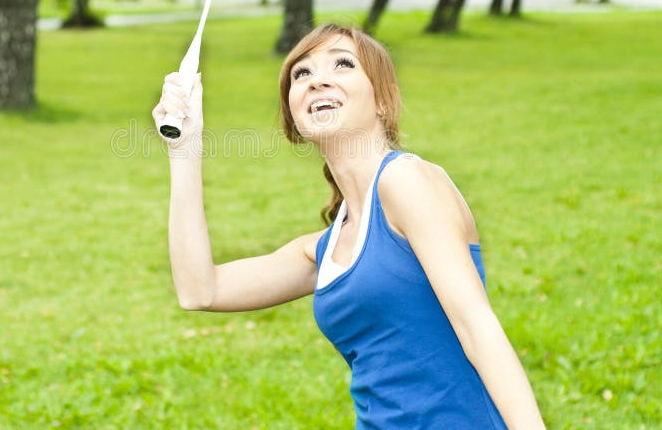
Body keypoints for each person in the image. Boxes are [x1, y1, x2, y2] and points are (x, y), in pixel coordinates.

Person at [152, 23, 546, 430]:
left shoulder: (407, 181)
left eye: (342, 64)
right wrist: (184, 148)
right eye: (302, 73)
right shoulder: (325, 248)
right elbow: (200, 290)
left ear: (383, 101)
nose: (317, 80)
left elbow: (477, 327)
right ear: (293, 116)